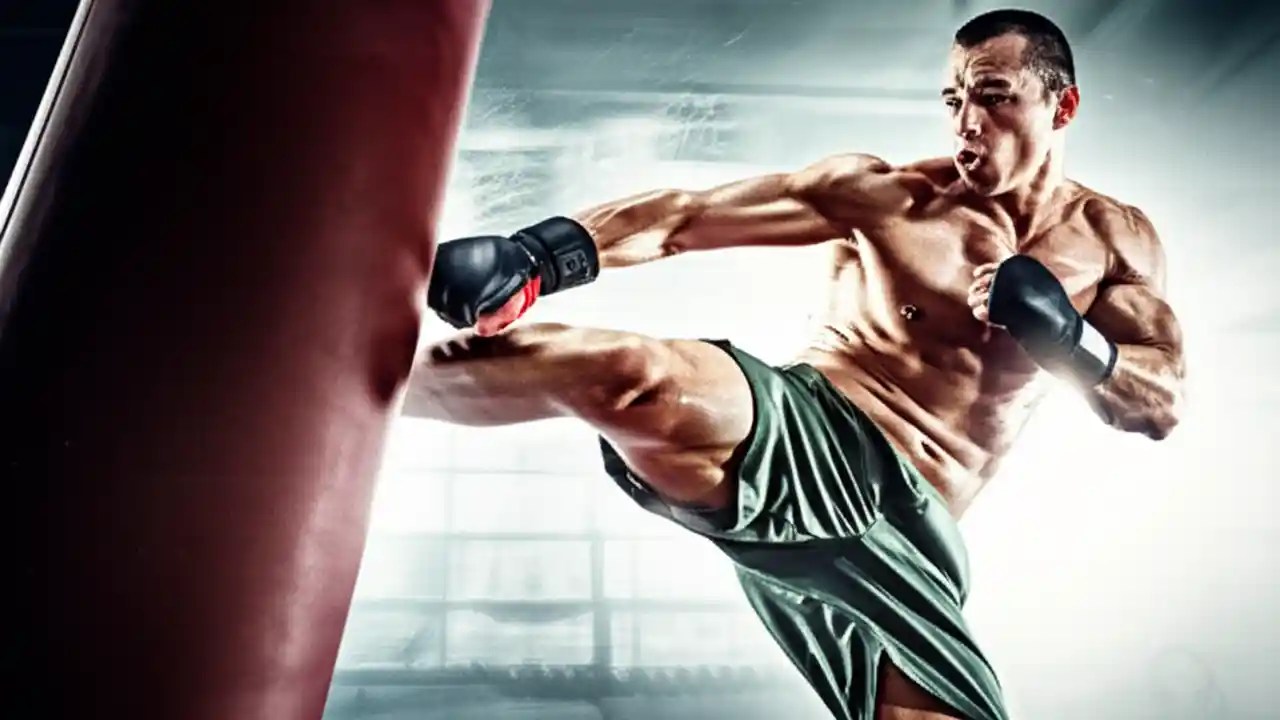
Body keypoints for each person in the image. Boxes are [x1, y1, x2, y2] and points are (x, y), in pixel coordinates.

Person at [405, 8, 1186, 720]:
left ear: (1063, 105)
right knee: (635, 380)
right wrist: (538, 256)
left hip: (909, 538)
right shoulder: (890, 197)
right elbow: (683, 219)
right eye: (953, 100)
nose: (968, 123)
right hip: (812, 433)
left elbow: (1156, 403)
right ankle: (353, 385)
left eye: (993, 96)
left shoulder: (1114, 240)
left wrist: (1067, 338)